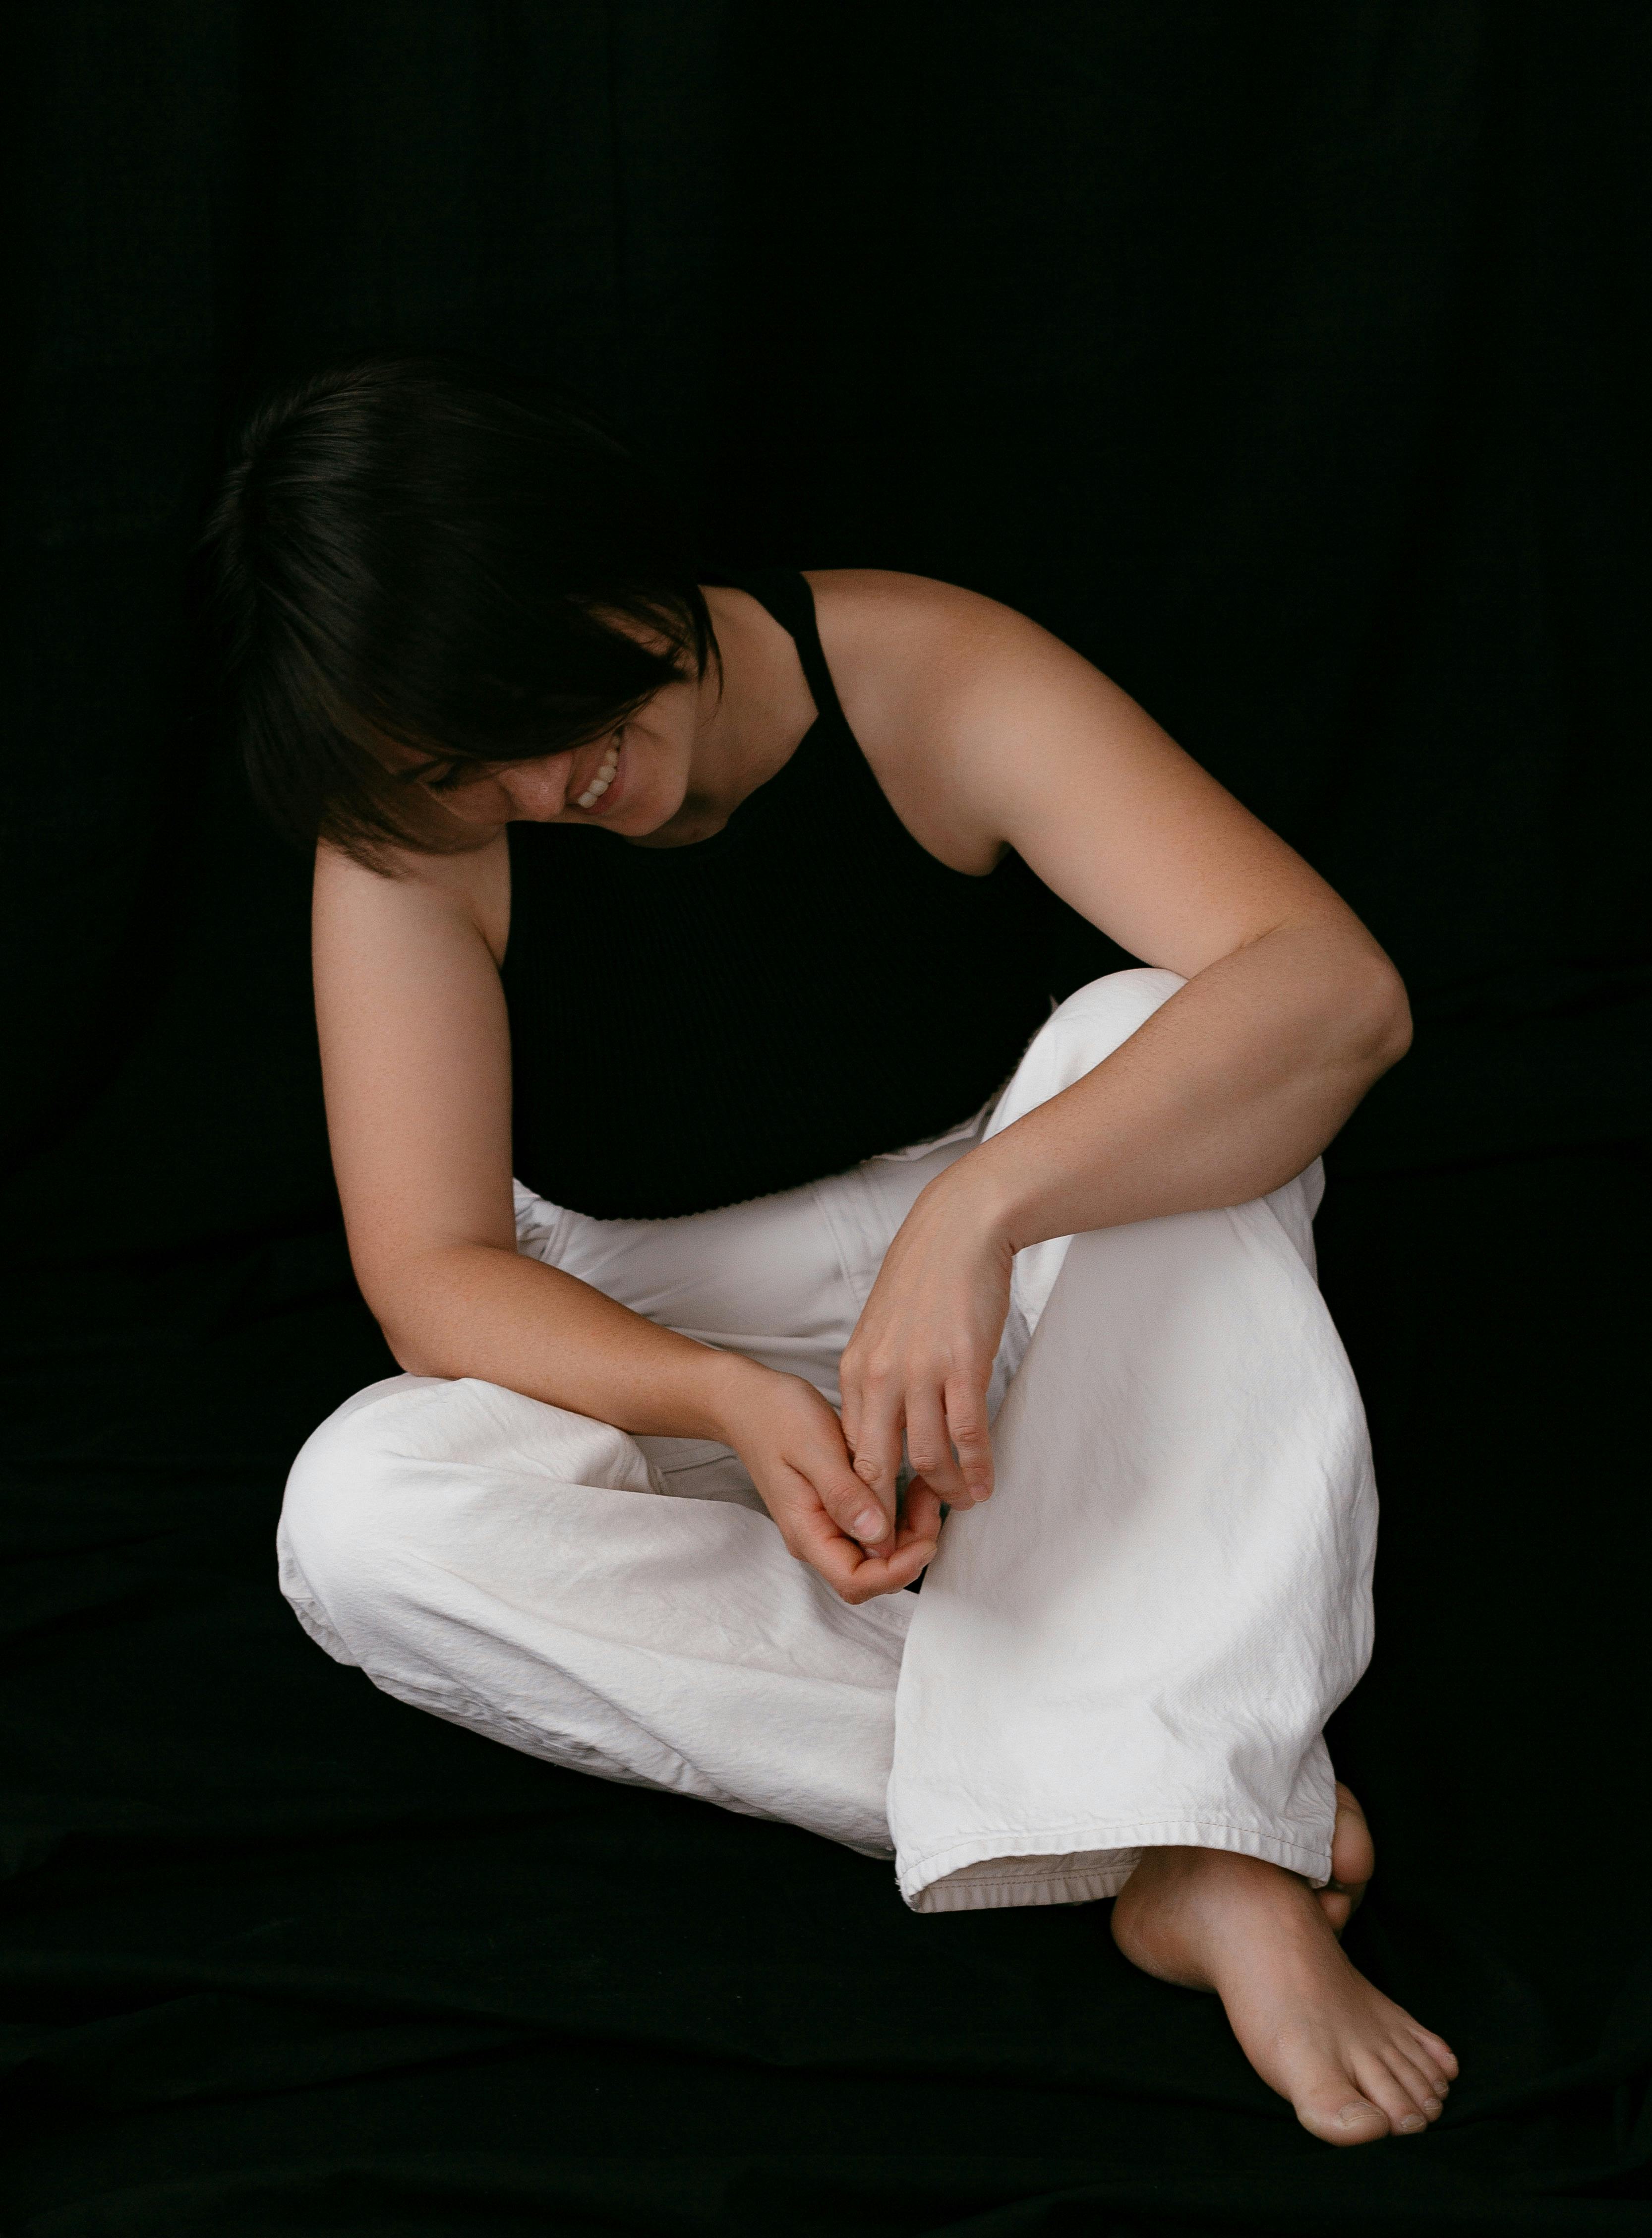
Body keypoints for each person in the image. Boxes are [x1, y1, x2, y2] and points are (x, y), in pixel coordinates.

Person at [205, 354, 1458, 2147]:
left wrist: (978, 1214)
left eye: (541, 715)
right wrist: (714, 1391)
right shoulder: (423, 836)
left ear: (594, 564)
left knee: (1161, 1032)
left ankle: (1170, 1782)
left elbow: (1337, 993)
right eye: (470, 772)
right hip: (673, 1300)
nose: (547, 790)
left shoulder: (919, 667)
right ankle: (1191, 1811)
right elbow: (434, 1277)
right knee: (366, 1511)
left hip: (1009, 1258)